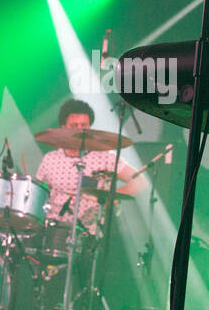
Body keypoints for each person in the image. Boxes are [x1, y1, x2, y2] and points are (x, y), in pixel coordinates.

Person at [35, 99, 141, 237]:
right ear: (63, 128)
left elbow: (140, 182)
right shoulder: (50, 159)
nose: (80, 130)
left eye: (84, 125)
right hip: (51, 232)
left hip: (86, 236)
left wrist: (112, 197)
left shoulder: (104, 157)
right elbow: (38, 194)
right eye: (74, 125)